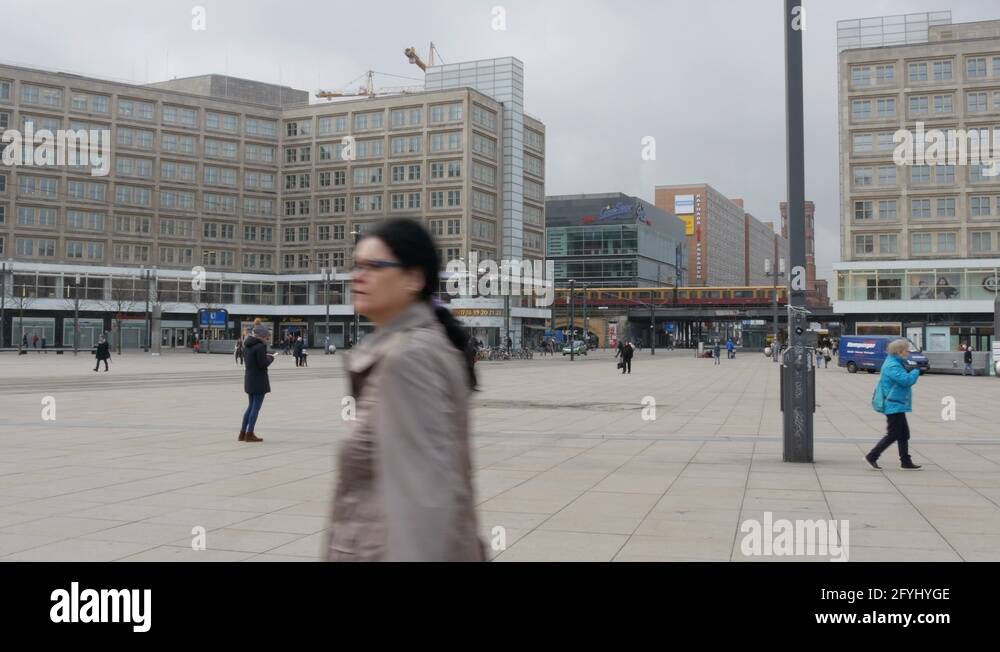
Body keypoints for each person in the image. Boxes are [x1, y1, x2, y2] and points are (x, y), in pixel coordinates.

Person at [325, 218, 483, 562]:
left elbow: (423, 500)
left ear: (414, 278)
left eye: (374, 266)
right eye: (357, 264)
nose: (358, 275)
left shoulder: (409, 358)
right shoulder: (421, 345)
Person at [866, 338, 922, 470]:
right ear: (899, 351)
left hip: (897, 403)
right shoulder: (892, 365)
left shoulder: (896, 362)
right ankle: (872, 456)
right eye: (906, 350)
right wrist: (915, 371)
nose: (908, 352)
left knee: (903, 434)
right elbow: (906, 380)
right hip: (893, 403)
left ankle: (905, 461)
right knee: (893, 434)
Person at [239, 324, 274, 443]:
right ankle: (250, 433)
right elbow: (262, 364)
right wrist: (270, 358)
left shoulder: (247, 345)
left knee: (250, 407)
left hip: (249, 379)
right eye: (266, 337)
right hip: (259, 381)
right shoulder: (260, 347)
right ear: (261, 336)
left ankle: (242, 433)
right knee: (255, 408)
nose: (267, 339)